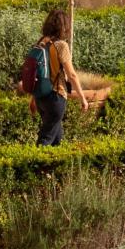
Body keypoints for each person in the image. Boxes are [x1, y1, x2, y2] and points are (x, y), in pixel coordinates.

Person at [32, 8, 88, 146]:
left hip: (41, 97)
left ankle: (53, 167)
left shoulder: (41, 43)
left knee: (56, 139)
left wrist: (33, 98)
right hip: (56, 96)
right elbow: (72, 75)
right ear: (64, 26)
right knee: (45, 141)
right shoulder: (61, 46)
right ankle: (33, 165)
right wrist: (83, 98)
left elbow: (37, 74)